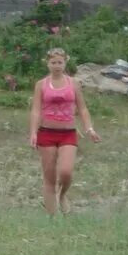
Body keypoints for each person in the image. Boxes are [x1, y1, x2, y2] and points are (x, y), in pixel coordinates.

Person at [29, 47, 100, 214]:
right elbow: (36, 110)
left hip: (68, 133)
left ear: (65, 63)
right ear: (47, 64)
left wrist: (89, 129)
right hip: (46, 133)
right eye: (53, 62)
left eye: (60, 62)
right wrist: (33, 132)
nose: (57, 66)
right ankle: (52, 217)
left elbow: (82, 109)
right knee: (49, 177)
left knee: (66, 172)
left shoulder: (73, 83)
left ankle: (62, 195)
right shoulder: (41, 85)